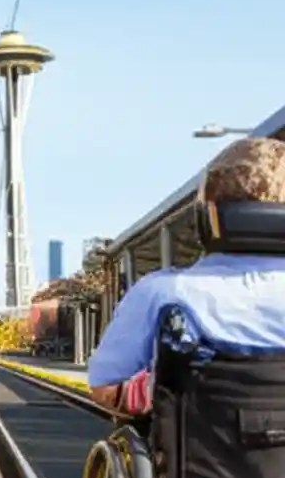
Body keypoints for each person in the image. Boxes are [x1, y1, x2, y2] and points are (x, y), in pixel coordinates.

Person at [87, 136, 285, 414]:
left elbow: (105, 386)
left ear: (206, 217)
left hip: (195, 454)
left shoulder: (161, 292)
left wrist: (155, 387)